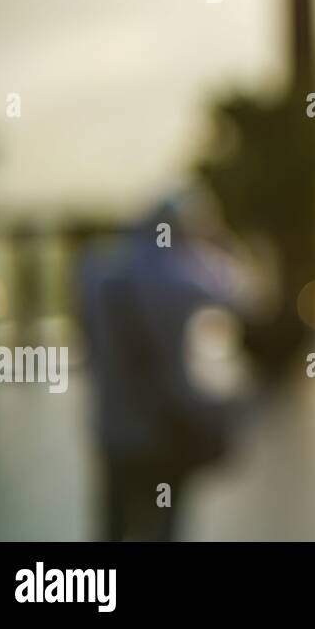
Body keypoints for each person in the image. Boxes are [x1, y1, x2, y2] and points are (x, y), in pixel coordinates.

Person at [79, 187, 258, 541]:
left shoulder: (98, 272)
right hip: (163, 429)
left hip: (112, 429)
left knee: (112, 529)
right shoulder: (186, 275)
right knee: (164, 529)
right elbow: (248, 295)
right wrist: (218, 238)